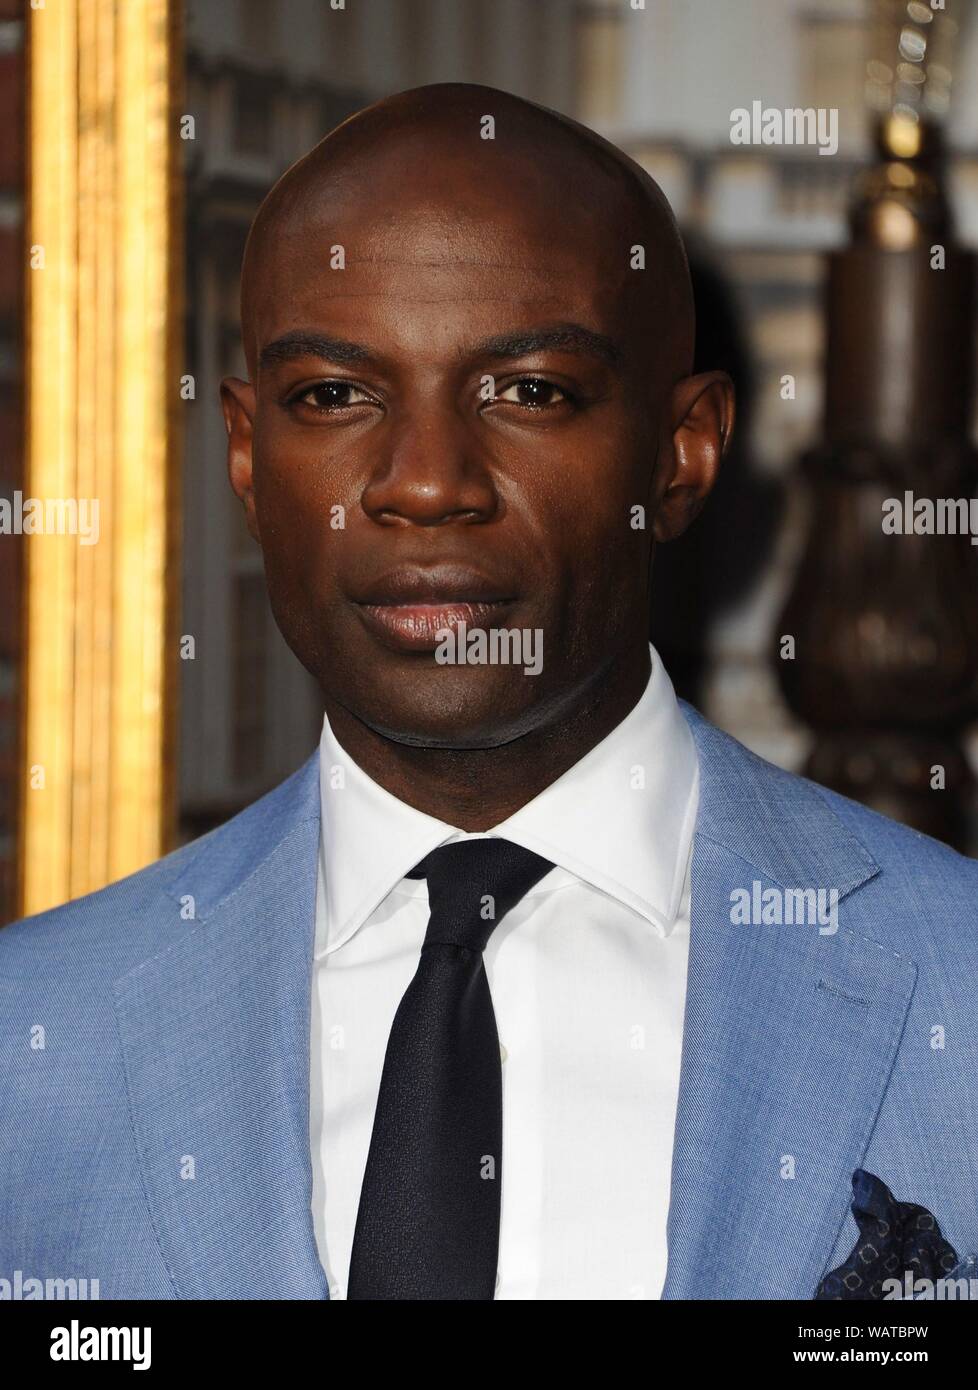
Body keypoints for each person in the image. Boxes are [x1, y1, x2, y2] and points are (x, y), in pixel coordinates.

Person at [2, 84, 976, 1302]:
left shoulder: (956, 985)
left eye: (528, 392)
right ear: (248, 455)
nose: (423, 486)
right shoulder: (34, 1034)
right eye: (334, 396)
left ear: (685, 453)